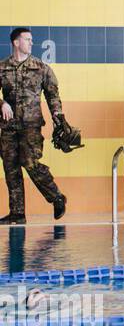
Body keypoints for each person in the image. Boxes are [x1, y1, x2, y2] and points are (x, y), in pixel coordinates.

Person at [0, 28, 68, 223]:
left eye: (31, 40)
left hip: (31, 126)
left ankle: (56, 197)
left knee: (31, 163)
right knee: (11, 169)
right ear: (16, 42)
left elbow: (52, 95)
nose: (31, 43)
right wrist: (2, 103)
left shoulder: (41, 67)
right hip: (8, 127)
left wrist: (57, 115)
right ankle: (17, 214)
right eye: (27, 39)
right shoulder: (2, 67)